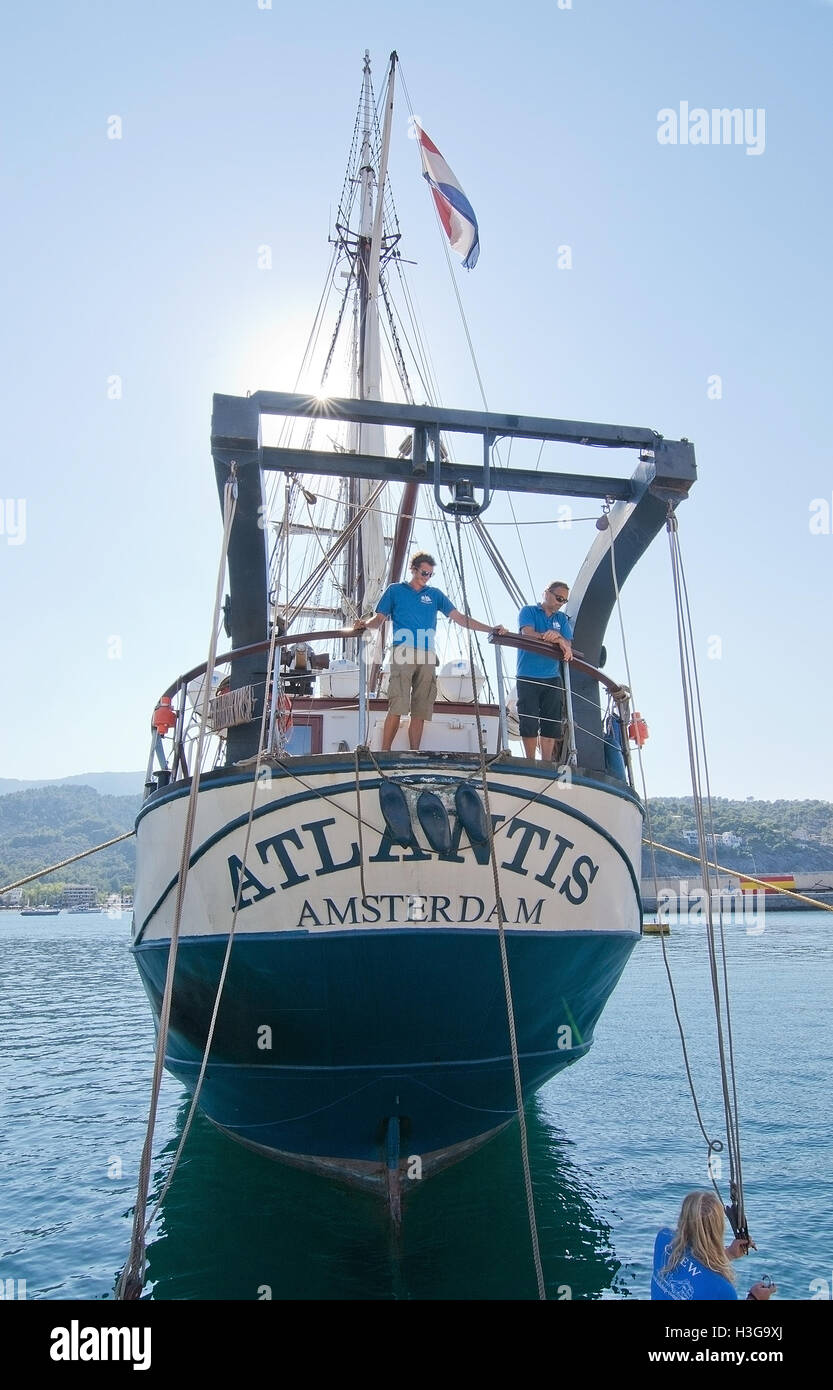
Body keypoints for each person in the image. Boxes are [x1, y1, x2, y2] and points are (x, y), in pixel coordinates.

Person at [359, 551, 506, 752]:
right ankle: (385, 752)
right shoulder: (395, 591)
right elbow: (378, 619)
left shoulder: (435, 595)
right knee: (398, 704)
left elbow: (460, 618)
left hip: (428, 655)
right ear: (413, 570)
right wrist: (363, 624)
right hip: (402, 651)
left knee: (421, 708)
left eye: (430, 574)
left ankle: (414, 752)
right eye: (424, 573)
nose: (426, 577)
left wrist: (490, 629)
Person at [651, 1191, 776, 1301]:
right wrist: (755, 1297)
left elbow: (692, 1265)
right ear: (717, 1229)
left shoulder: (664, 1239)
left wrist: (729, 1254)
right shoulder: (722, 1290)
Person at [516, 581, 573, 762]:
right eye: (558, 598)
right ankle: (531, 761)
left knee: (551, 723)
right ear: (546, 593)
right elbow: (527, 633)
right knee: (529, 720)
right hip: (528, 675)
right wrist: (550, 637)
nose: (560, 603)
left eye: (564, 601)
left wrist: (558, 638)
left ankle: (546, 764)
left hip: (552, 677)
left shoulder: (562, 619)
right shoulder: (528, 611)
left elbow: (568, 644)